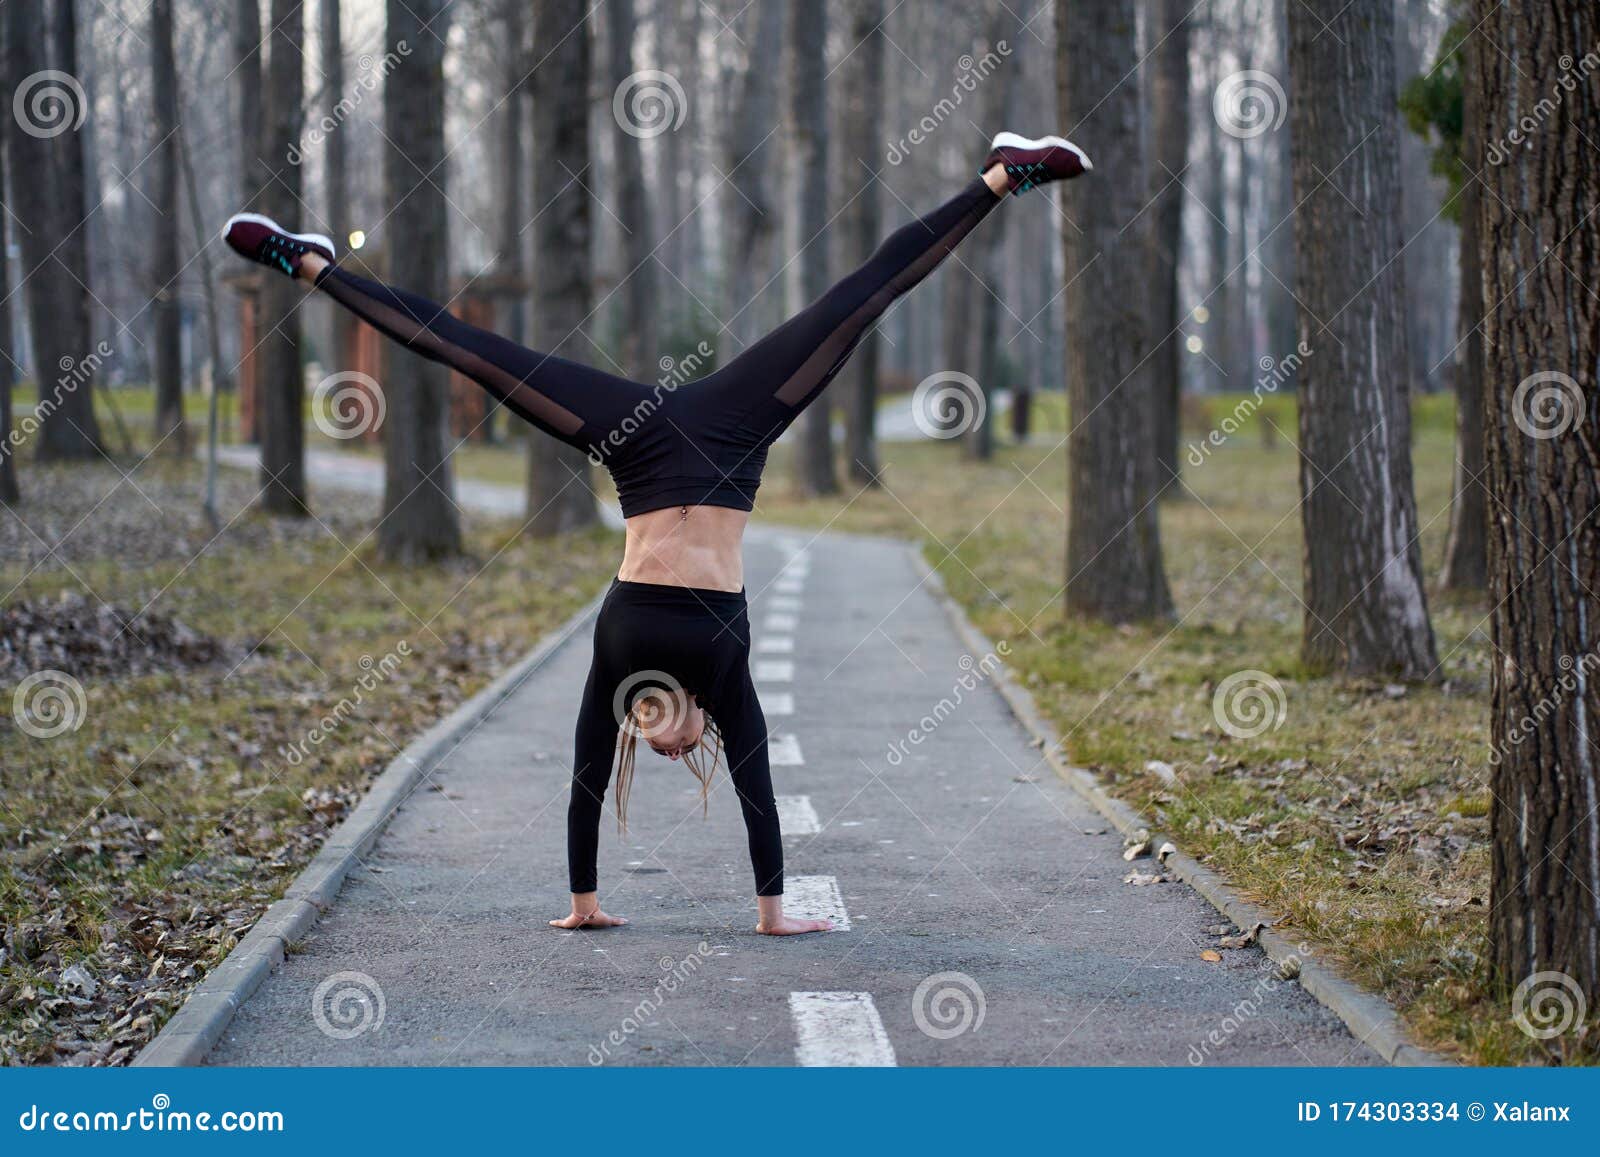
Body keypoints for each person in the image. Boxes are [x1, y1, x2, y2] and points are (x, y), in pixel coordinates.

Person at [224, 131, 1091, 935]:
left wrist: (582, 904)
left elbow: (582, 786)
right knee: (858, 303)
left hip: (630, 442)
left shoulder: (615, 662)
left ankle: (305, 264)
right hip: (733, 432)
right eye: (690, 751)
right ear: (698, 734)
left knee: (471, 354)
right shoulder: (726, 675)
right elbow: (759, 790)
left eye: (655, 747)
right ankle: (1005, 175)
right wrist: (772, 913)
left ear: (640, 730)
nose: (674, 748)